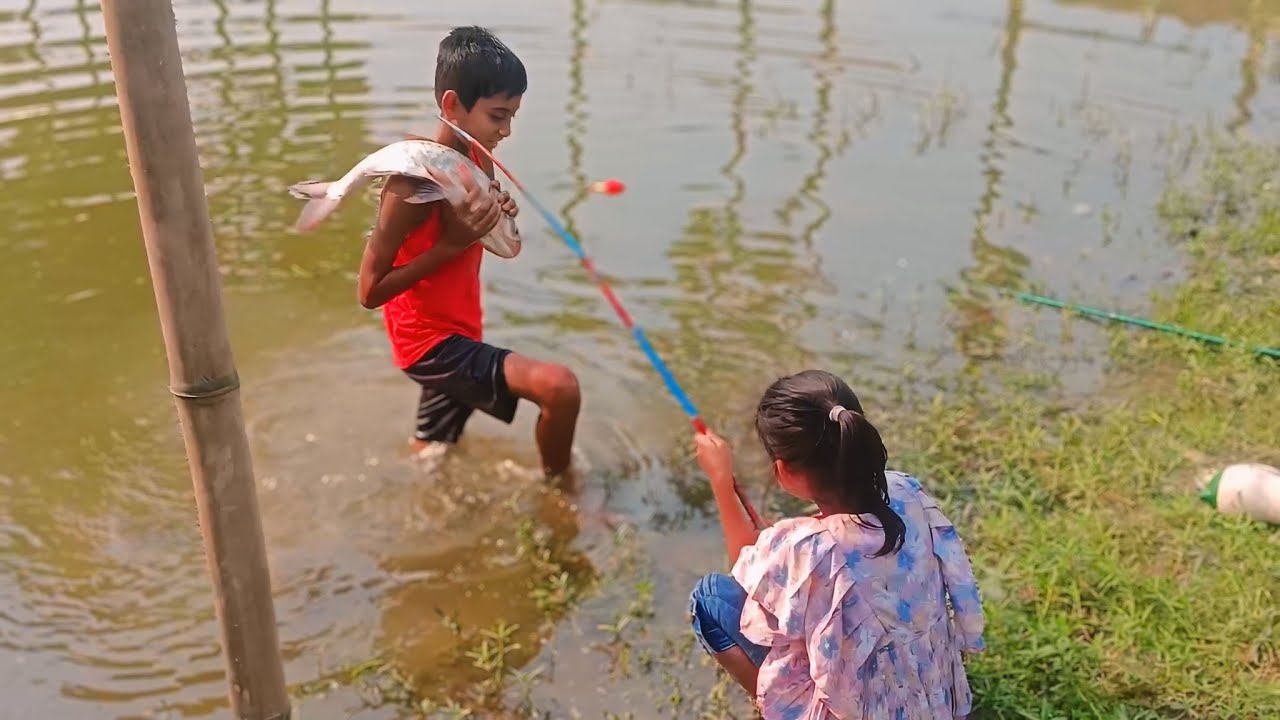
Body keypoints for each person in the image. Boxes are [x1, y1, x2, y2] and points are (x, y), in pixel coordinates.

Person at [689, 370, 985, 719]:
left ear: (783, 471)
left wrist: (722, 483)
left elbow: (745, 576)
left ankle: (782, 708)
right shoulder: (907, 492)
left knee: (709, 597)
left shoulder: (808, 549)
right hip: (934, 700)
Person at [358, 26, 581, 477]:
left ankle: (421, 492)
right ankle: (563, 497)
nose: (506, 131)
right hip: (430, 343)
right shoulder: (411, 184)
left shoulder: (476, 161)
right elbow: (369, 290)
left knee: (433, 454)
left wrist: (495, 220)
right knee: (559, 388)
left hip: (462, 324)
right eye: (497, 116)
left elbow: (488, 242)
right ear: (452, 105)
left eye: (513, 116)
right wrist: (451, 245)